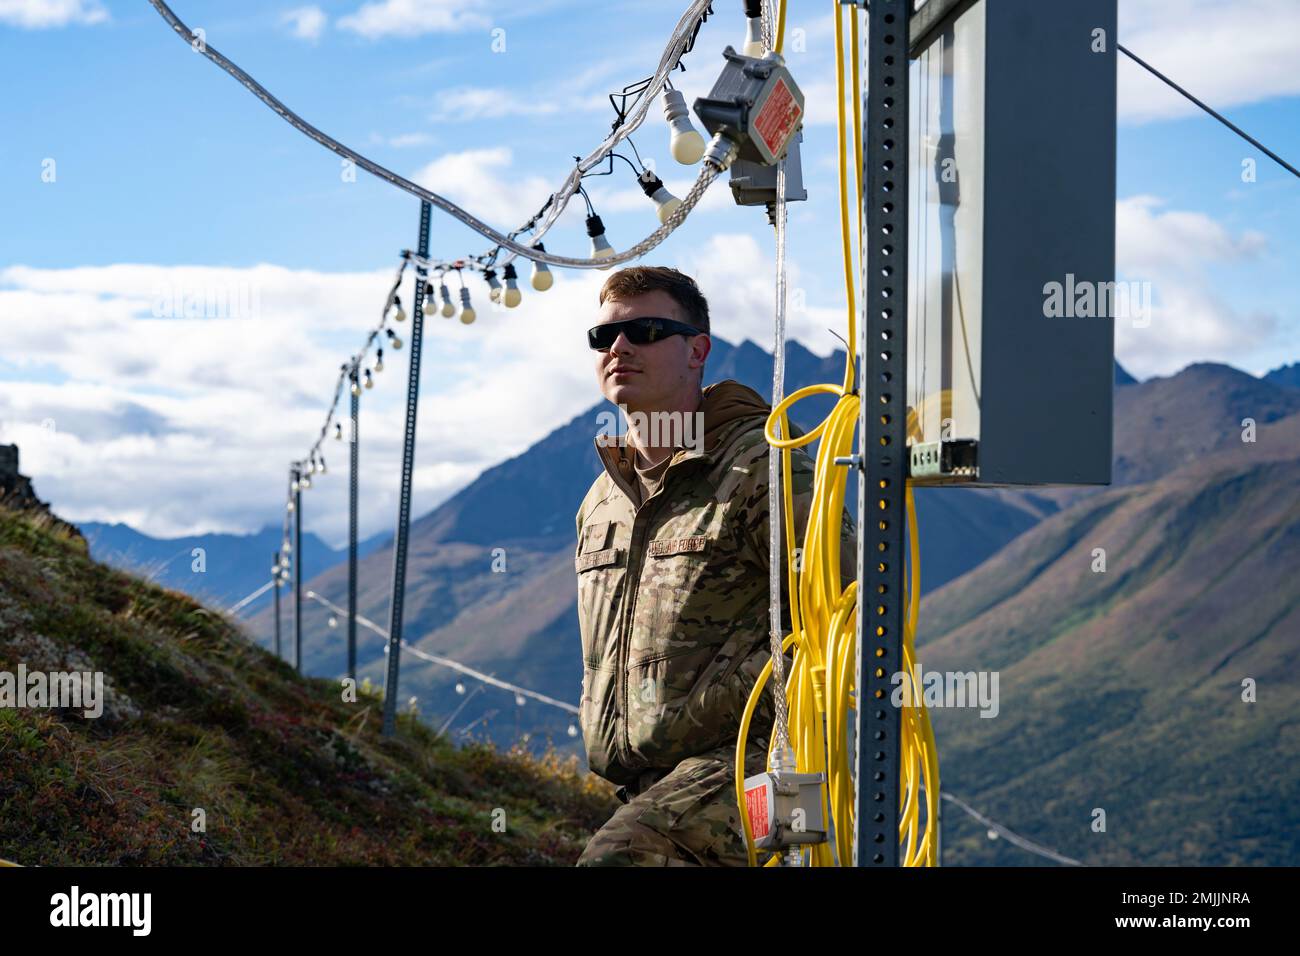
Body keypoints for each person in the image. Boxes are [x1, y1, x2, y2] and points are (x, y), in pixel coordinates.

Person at [573, 265, 856, 866]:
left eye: (645, 331)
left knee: (619, 859)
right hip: (649, 781)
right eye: (604, 338)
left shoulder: (765, 466)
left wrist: (758, 696)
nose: (619, 348)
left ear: (698, 349)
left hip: (763, 766)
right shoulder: (602, 501)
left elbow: (850, 616)